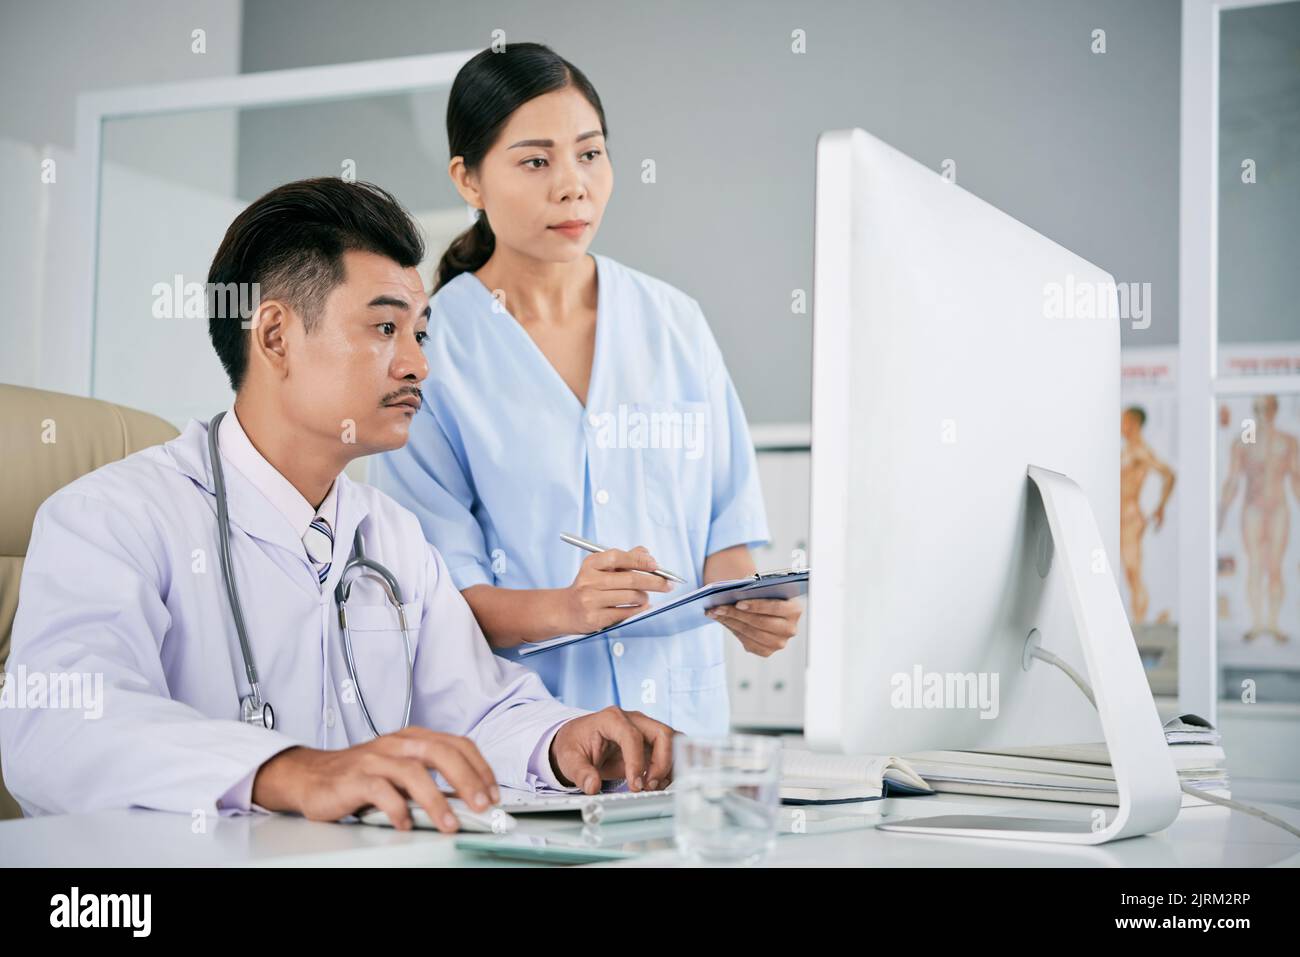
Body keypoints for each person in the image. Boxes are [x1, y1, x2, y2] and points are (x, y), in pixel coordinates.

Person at [0, 178, 674, 831]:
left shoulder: (391, 536)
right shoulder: (111, 517)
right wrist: (292, 771)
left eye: (420, 334)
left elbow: (474, 710)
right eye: (385, 327)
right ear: (274, 336)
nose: (417, 365)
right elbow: (57, 725)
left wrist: (559, 742)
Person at [373, 43, 803, 736]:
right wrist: (568, 608)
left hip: (684, 731)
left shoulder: (675, 324)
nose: (572, 185)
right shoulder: (429, 352)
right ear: (469, 179)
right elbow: (439, 600)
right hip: (528, 740)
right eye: (536, 160)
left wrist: (750, 607)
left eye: (591, 154)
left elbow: (727, 540)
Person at [1218, 395, 1300, 642]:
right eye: (1257, 409)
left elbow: (1296, 479)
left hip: (1278, 508)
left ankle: (1273, 623)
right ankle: (1257, 623)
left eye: (1266, 408)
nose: (1261, 414)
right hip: (1253, 508)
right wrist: (1221, 512)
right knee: (1254, 564)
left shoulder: (1287, 442)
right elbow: (1232, 480)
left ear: (1275, 410)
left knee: (1274, 565)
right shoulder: (1243, 442)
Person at [1119, 405, 1176, 623]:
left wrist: (1161, 507)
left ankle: (1139, 624)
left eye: (1124, 421)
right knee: (1128, 574)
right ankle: (1136, 622)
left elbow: (1169, 475)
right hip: (1119, 515)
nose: (1121, 426)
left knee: (1134, 572)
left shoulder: (1140, 451)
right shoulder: (1125, 451)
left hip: (1131, 517)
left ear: (1133, 423)